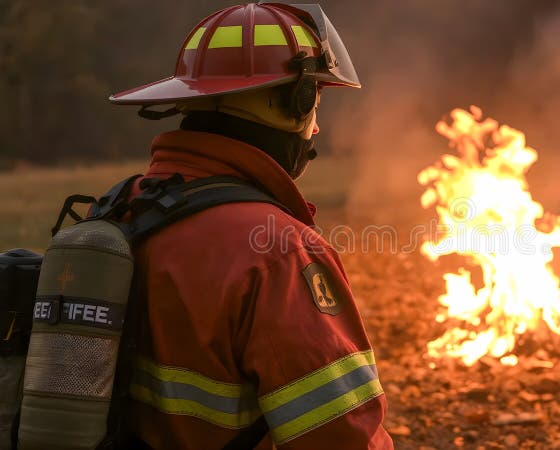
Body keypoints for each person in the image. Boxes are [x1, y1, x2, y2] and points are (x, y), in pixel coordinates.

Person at [108, 3, 393, 449]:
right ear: (291, 101)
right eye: (314, 100)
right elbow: (341, 438)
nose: (315, 128)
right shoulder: (278, 251)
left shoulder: (119, 209)